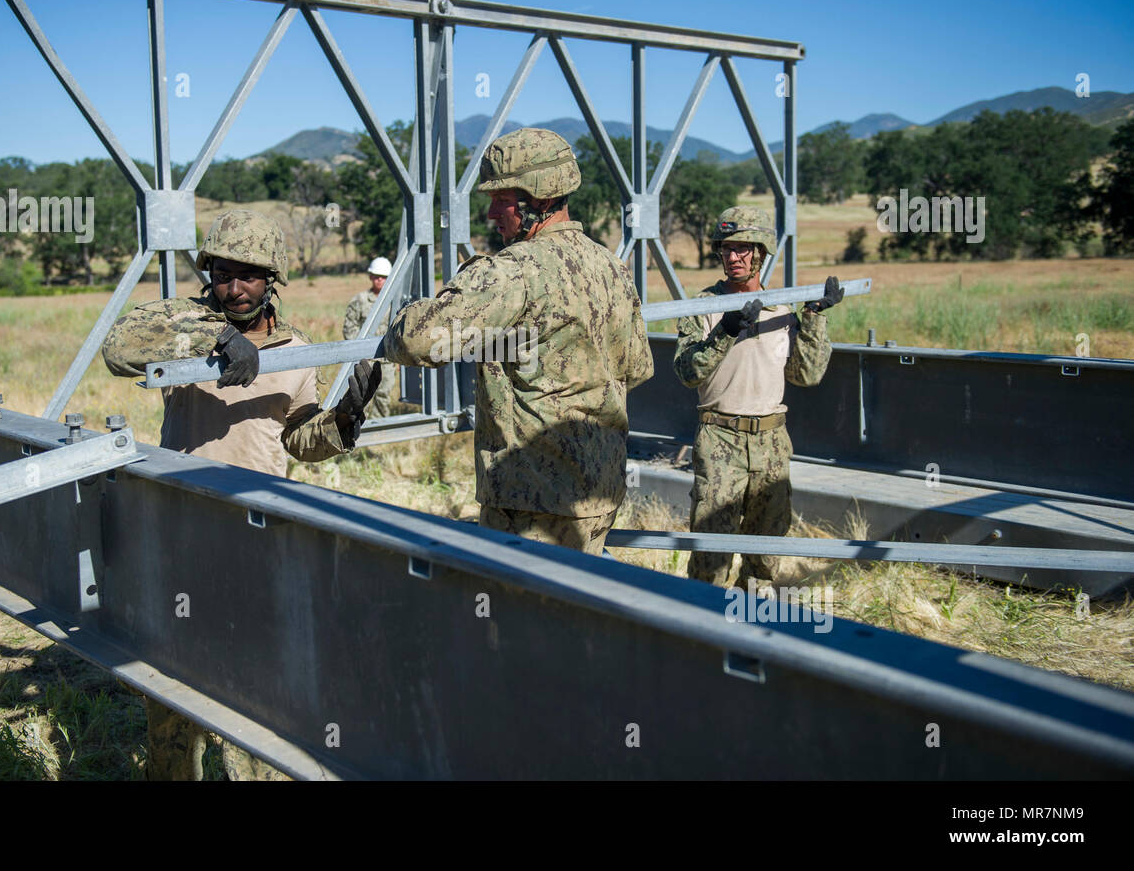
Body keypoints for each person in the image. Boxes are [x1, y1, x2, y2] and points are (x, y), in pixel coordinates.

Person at [102, 208, 381, 780]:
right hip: (181, 525)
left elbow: (299, 438)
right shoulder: (185, 325)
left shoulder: (295, 349)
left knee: (258, 682)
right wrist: (219, 337)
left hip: (257, 533)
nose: (234, 289)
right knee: (173, 680)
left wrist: (345, 418)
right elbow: (118, 346)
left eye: (248, 276)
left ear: (272, 278)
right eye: (223, 275)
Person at [383, 127, 653, 555]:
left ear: (540, 198)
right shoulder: (611, 266)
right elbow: (636, 369)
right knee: (582, 596)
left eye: (501, 198)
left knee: (521, 600)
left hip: (533, 502)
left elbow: (417, 340)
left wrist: (408, 312)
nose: (491, 213)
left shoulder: (515, 270)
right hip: (600, 488)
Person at [672, 206, 843, 589]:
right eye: (727, 249)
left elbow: (807, 374)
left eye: (743, 249)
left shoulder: (781, 307)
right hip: (720, 440)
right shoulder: (703, 307)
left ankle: (751, 619)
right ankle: (702, 621)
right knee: (711, 555)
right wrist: (725, 331)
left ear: (761, 253)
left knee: (765, 553)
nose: (733, 257)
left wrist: (814, 317)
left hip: (771, 442)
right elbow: (687, 373)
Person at [343, 257, 397, 417]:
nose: (379, 280)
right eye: (376, 276)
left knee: (383, 396)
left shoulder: (394, 301)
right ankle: (361, 427)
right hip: (364, 360)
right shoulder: (360, 300)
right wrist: (359, 351)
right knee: (361, 397)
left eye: (383, 277)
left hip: (387, 360)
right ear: (370, 276)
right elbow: (349, 327)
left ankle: (380, 427)